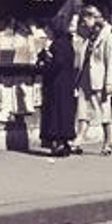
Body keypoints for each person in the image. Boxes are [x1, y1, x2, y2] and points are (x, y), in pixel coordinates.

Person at [72, 4, 112, 155]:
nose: (84, 23)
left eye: (86, 18)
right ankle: (79, 139)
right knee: (83, 112)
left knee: (104, 113)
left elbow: (111, 62)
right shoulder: (89, 36)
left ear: (94, 18)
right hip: (85, 78)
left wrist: (109, 82)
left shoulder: (107, 37)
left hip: (100, 80)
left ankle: (108, 140)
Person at [38, 12, 76, 157]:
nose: (46, 31)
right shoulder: (67, 43)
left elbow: (57, 64)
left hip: (57, 85)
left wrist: (45, 61)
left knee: (56, 114)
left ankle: (58, 143)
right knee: (64, 113)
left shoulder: (58, 44)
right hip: (66, 85)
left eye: (48, 29)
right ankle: (64, 143)